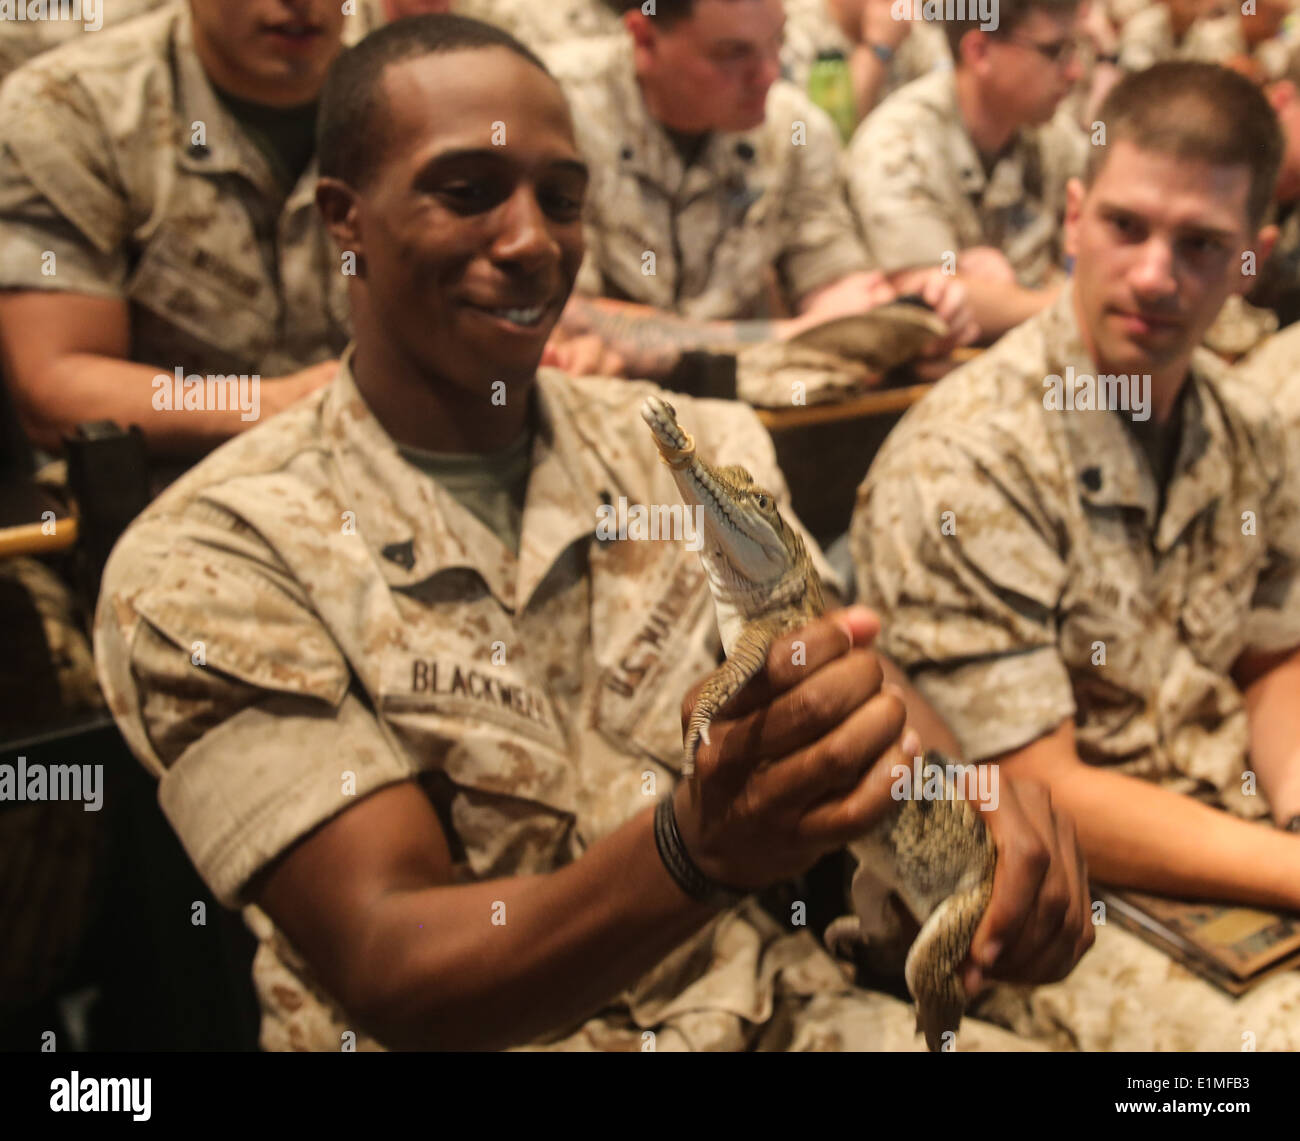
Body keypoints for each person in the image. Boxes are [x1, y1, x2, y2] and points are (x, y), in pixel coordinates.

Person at [93, 14, 1093, 1052]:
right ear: (344, 218)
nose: (531, 241)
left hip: (766, 1012)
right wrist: (692, 852)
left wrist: (972, 828)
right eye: (466, 191)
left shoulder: (693, 452)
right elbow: (391, 961)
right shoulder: (213, 555)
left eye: (560, 200)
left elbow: (839, 681)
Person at [852, 61, 1300, 1050]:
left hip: (1227, 831)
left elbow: (1269, 655)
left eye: (1201, 245)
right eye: (1125, 227)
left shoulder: (1250, 429)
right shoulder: (967, 456)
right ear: (1071, 217)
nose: (1153, 275)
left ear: (1249, 262)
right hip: (1035, 907)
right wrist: (1287, 866)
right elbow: (1034, 787)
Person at [542, 0, 976, 384]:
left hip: (745, 416)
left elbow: (832, 281)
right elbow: (563, 318)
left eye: (777, 41)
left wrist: (905, 320)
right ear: (644, 38)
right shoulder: (551, 109)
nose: (768, 74)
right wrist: (782, 339)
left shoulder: (795, 130)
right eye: (733, 54)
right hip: (596, 410)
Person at [0, 0, 351, 463]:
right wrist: (286, 405)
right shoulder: (71, 108)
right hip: (166, 497)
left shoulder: (413, 92)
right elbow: (57, 389)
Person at [847, 0, 1094, 342]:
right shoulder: (898, 142)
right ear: (979, 51)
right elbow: (928, 301)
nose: (1075, 72)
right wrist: (1073, 306)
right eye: (1055, 52)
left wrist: (1004, 299)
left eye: (1075, 50)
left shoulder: (1052, 136)